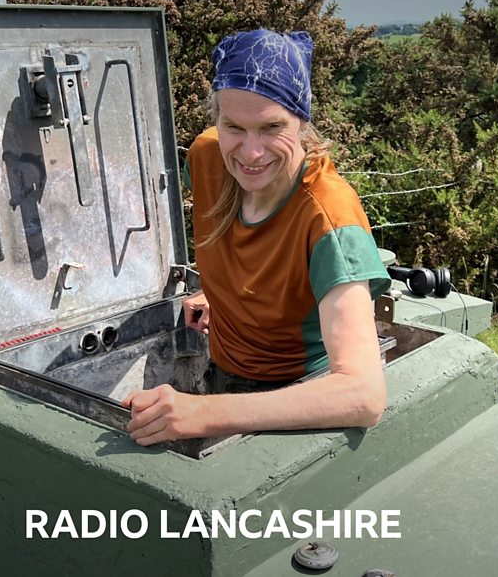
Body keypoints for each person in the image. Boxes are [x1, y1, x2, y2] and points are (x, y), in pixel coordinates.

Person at [122, 29, 390, 447]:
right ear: (217, 119)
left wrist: (202, 412)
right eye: (234, 126)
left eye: (271, 127)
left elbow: (363, 394)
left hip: (296, 401)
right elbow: (244, 251)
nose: (250, 153)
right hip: (221, 376)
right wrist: (223, 293)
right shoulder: (208, 157)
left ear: (301, 121)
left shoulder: (329, 218)